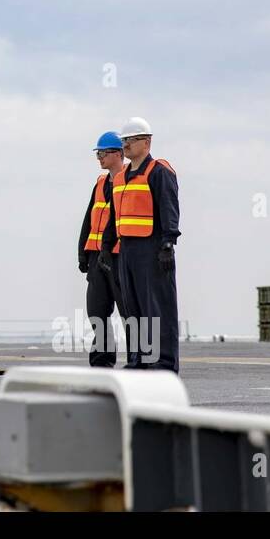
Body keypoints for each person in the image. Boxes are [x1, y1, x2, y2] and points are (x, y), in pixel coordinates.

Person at [111, 118, 180, 371]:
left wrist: (167, 243)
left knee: (157, 309)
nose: (125, 146)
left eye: (130, 140)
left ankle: (163, 363)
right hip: (127, 250)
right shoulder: (120, 178)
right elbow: (114, 218)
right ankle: (139, 360)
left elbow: (168, 208)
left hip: (152, 249)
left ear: (147, 142)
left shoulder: (159, 172)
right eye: (123, 141)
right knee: (134, 310)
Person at [77, 131, 127, 366]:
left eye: (103, 153)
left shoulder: (130, 180)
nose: (99, 158)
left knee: (129, 314)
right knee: (97, 313)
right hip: (97, 258)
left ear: (118, 154)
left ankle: (140, 360)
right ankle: (101, 362)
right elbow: (89, 219)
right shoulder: (99, 183)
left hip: (120, 257)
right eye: (98, 153)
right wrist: (82, 253)